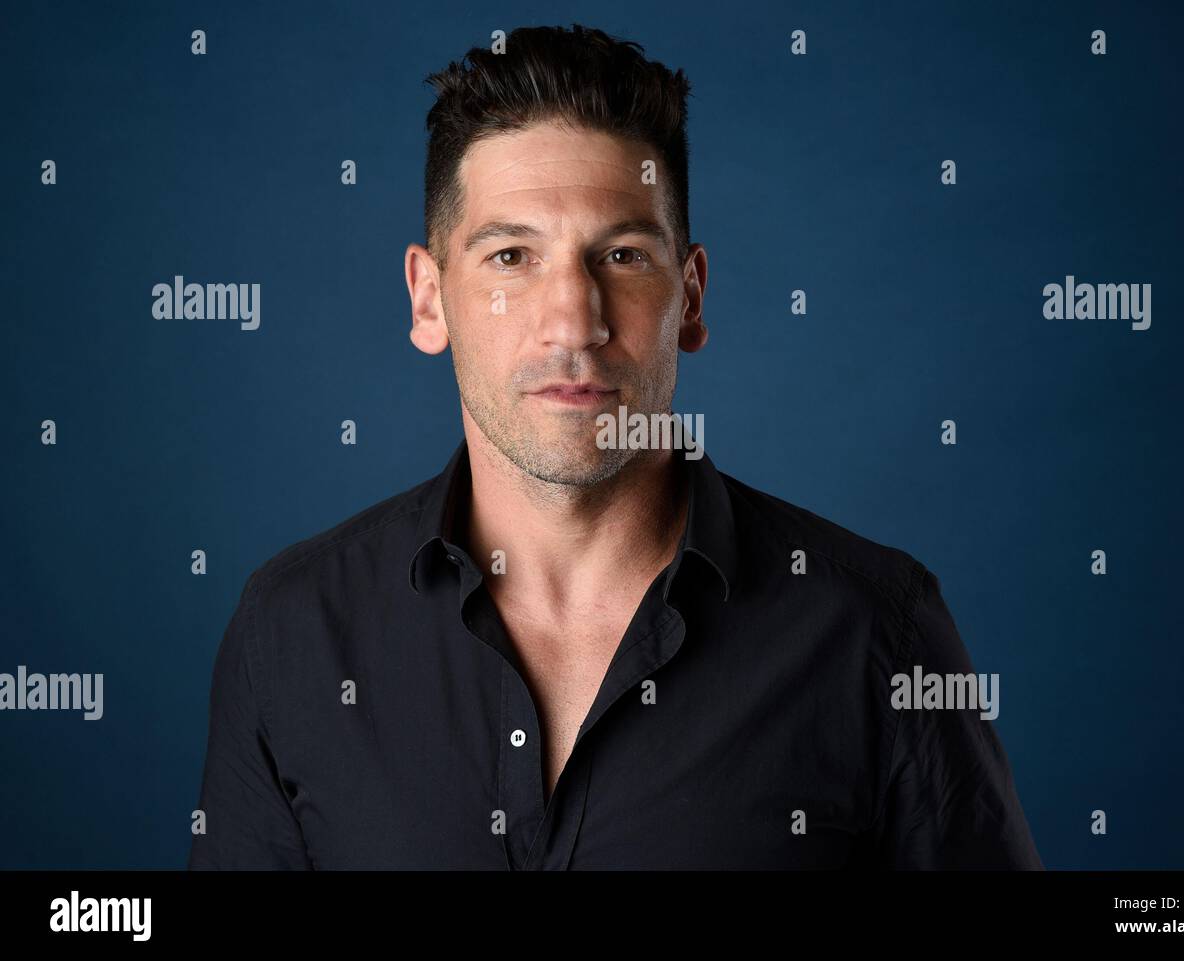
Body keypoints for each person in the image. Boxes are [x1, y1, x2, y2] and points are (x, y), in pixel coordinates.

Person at [188, 23, 1041, 870]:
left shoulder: (879, 633)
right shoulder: (292, 635)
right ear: (428, 299)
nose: (574, 322)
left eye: (623, 254)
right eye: (511, 255)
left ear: (692, 296)